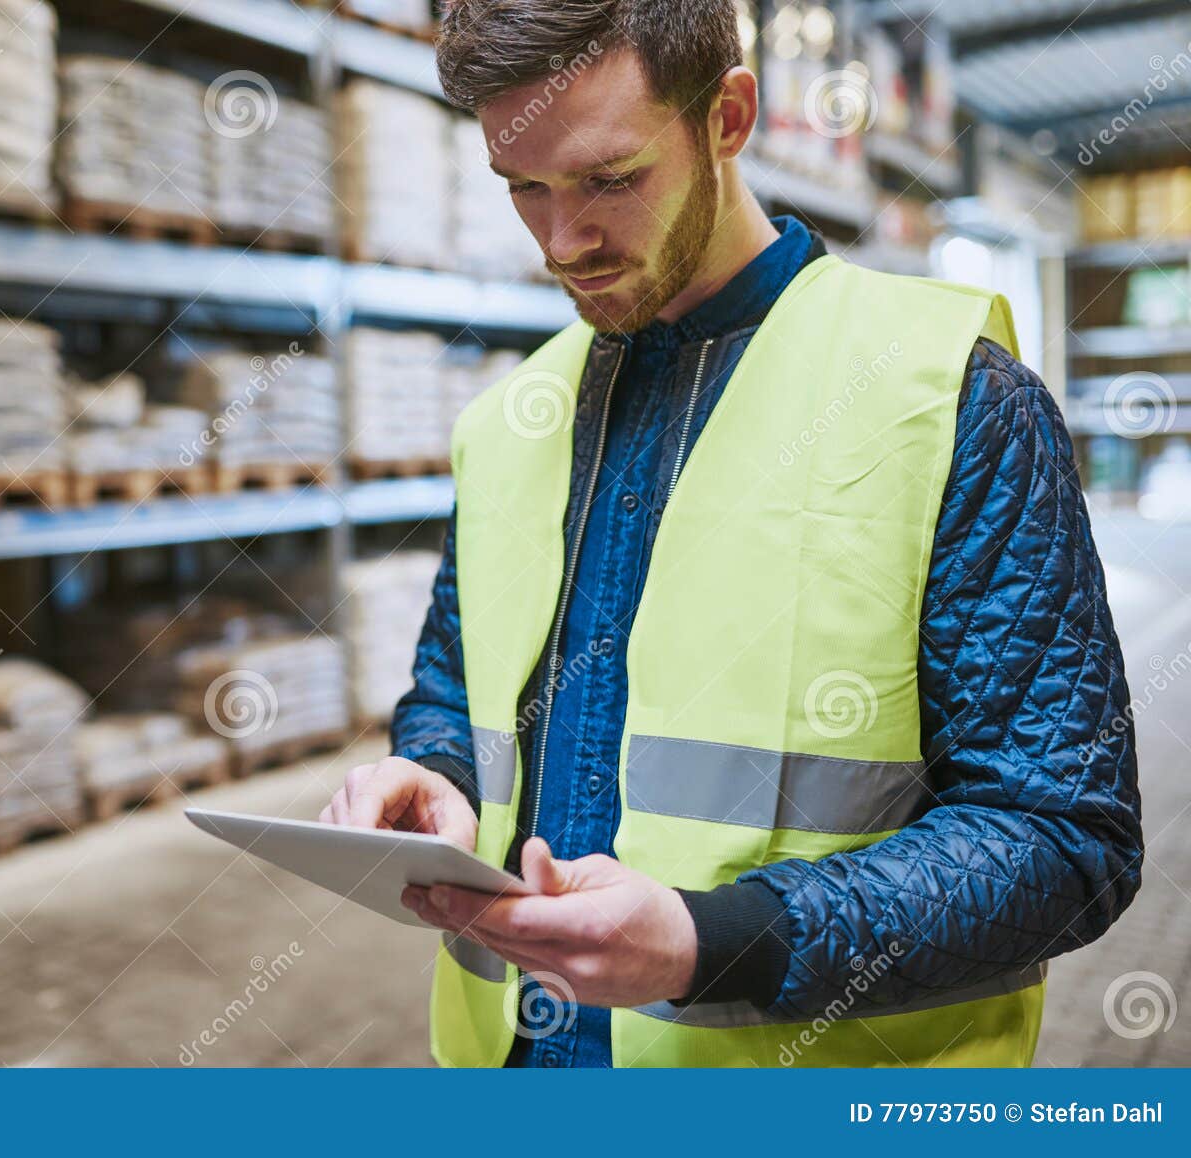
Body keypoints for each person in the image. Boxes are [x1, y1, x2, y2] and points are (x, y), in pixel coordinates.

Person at [318, 0, 1142, 1068]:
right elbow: (449, 688)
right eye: (524, 185)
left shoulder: (950, 400)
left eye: (610, 179)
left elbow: (1061, 838)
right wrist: (434, 776)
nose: (563, 240)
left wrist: (714, 943)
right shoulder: (511, 423)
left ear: (729, 117)